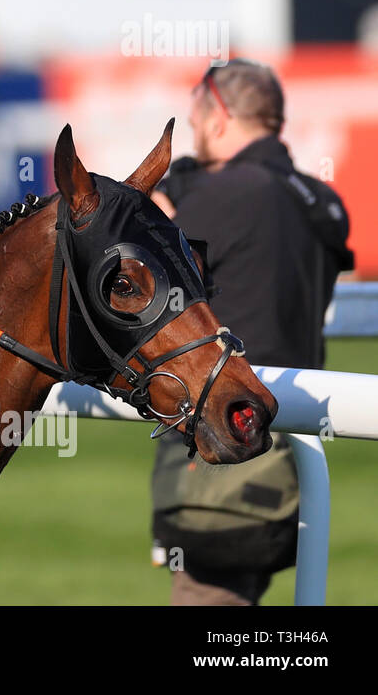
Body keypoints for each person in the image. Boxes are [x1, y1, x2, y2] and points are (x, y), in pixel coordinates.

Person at [149, 58, 353, 605]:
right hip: (296, 454)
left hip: (224, 452)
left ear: (219, 117)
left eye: (195, 127)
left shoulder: (226, 194)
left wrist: (172, 191)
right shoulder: (323, 199)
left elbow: (135, 242)